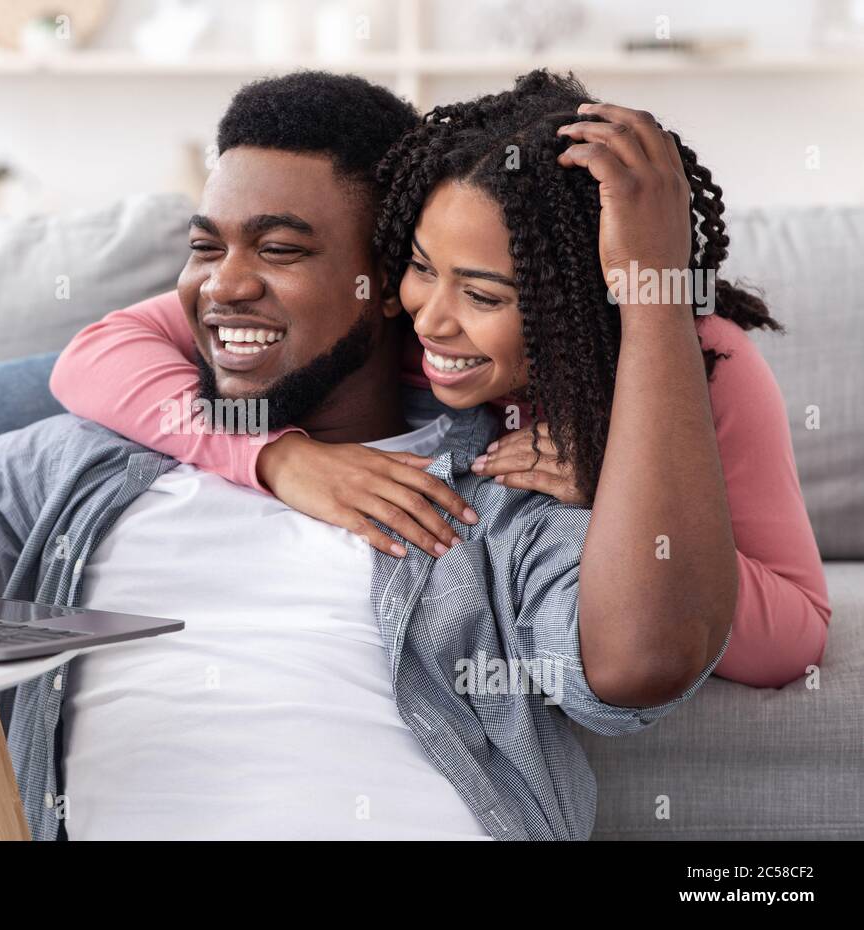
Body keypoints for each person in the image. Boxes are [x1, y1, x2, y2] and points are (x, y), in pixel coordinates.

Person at [0, 71, 727, 842]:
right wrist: (277, 460)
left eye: (281, 248)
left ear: (389, 284)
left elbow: (642, 662)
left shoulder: (499, 487)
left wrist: (651, 290)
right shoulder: (81, 462)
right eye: (203, 246)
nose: (225, 284)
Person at [46, 71, 829, 689]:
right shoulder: (379, 317)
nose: (430, 322)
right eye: (419, 270)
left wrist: (626, 489)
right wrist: (277, 457)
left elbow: (793, 636)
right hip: (165, 395)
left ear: (581, 302)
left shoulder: (704, 363)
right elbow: (93, 355)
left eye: (484, 296)